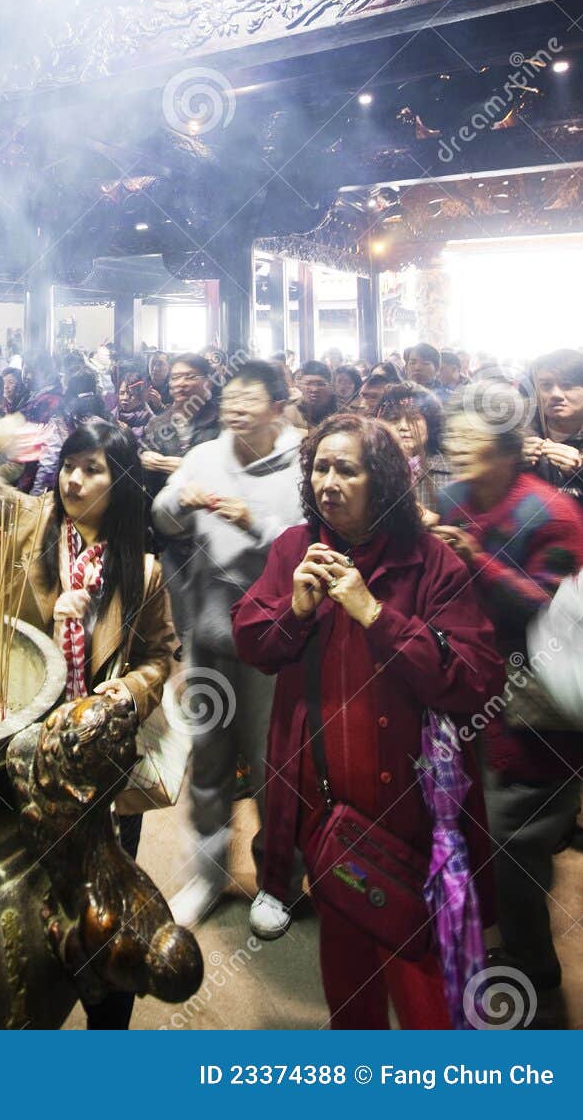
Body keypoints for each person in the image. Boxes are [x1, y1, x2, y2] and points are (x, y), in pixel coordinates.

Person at [233, 413, 502, 1029]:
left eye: (346, 469)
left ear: (380, 481)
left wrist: (375, 613)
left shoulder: (430, 563)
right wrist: (296, 611)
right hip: (326, 813)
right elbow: (253, 643)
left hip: (414, 818)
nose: (329, 482)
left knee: (425, 989)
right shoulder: (295, 550)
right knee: (349, 989)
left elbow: (474, 679)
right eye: (320, 468)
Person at [0, 414, 178, 1030]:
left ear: (119, 482)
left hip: (99, 760)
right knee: (26, 893)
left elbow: (160, 654)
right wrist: (51, 613)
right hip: (25, 747)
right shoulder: (28, 527)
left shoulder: (143, 569)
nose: (73, 481)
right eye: (69, 465)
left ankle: (107, 1029)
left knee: (109, 900)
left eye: (92, 469)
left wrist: (124, 694)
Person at [435, 388, 583, 1007]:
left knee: (513, 841)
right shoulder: (451, 498)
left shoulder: (550, 512)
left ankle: (533, 970)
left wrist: (476, 561)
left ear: (506, 448)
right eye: (454, 439)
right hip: (472, 692)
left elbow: (552, 611)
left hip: (536, 709)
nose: (458, 449)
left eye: (472, 440)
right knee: (480, 830)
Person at [152, 361, 303, 935]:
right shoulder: (204, 456)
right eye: (231, 396)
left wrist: (252, 520)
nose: (236, 406)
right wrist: (180, 500)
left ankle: (278, 883)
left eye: (251, 397)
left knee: (275, 769)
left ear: (278, 405)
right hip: (211, 638)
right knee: (209, 761)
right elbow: (162, 518)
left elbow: (309, 540)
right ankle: (207, 877)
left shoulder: (300, 465)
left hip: (275, 647)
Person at [140, 354, 220, 635]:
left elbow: (221, 470)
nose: (180, 383)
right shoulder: (159, 423)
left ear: (206, 380)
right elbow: (144, 468)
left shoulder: (221, 420)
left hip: (212, 529)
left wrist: (165, 463)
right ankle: (189, 649)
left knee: (215, 606)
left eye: (189, 376)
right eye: (175, 377)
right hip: (170, 532)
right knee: (180, 603)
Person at [376, 379, 452, 515]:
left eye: (413, 418)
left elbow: (464, 527)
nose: (403, 427)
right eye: (394, 419)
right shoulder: (372, 468)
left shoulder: (451, 471)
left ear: (430, 423)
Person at [31, 370, 106, 495]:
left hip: (66, 491)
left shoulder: (61, 423)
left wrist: (37, 495)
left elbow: (48, 465)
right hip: (96, 493)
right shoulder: (106, 421)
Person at [526, 348, 583, 501]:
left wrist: (580, 471)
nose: (556, 394)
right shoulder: (516, 433)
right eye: (546, 386)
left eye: (568, 385)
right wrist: (511, 462)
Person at [294, 360, 337, 430]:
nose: (314, 389)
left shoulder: (341, 412)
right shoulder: (290, 412)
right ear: (300, 385)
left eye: (320, 384)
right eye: (308, 384)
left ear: (330, 386)